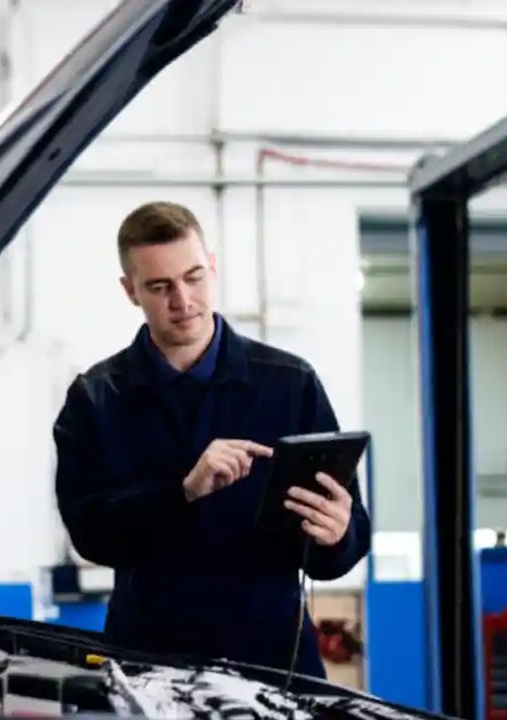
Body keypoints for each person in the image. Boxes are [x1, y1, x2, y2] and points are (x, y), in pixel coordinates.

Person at [52, 200, 371, 679]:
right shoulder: (97, 399)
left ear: (213, 267)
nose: (183, 300)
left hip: (273, 665)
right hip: (150, 666)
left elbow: (344, 543)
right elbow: (91, 538)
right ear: (130, 291)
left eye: (194, 277)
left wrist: (337, 534)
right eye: (160, 287)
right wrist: (181, 491)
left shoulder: (290, 384)